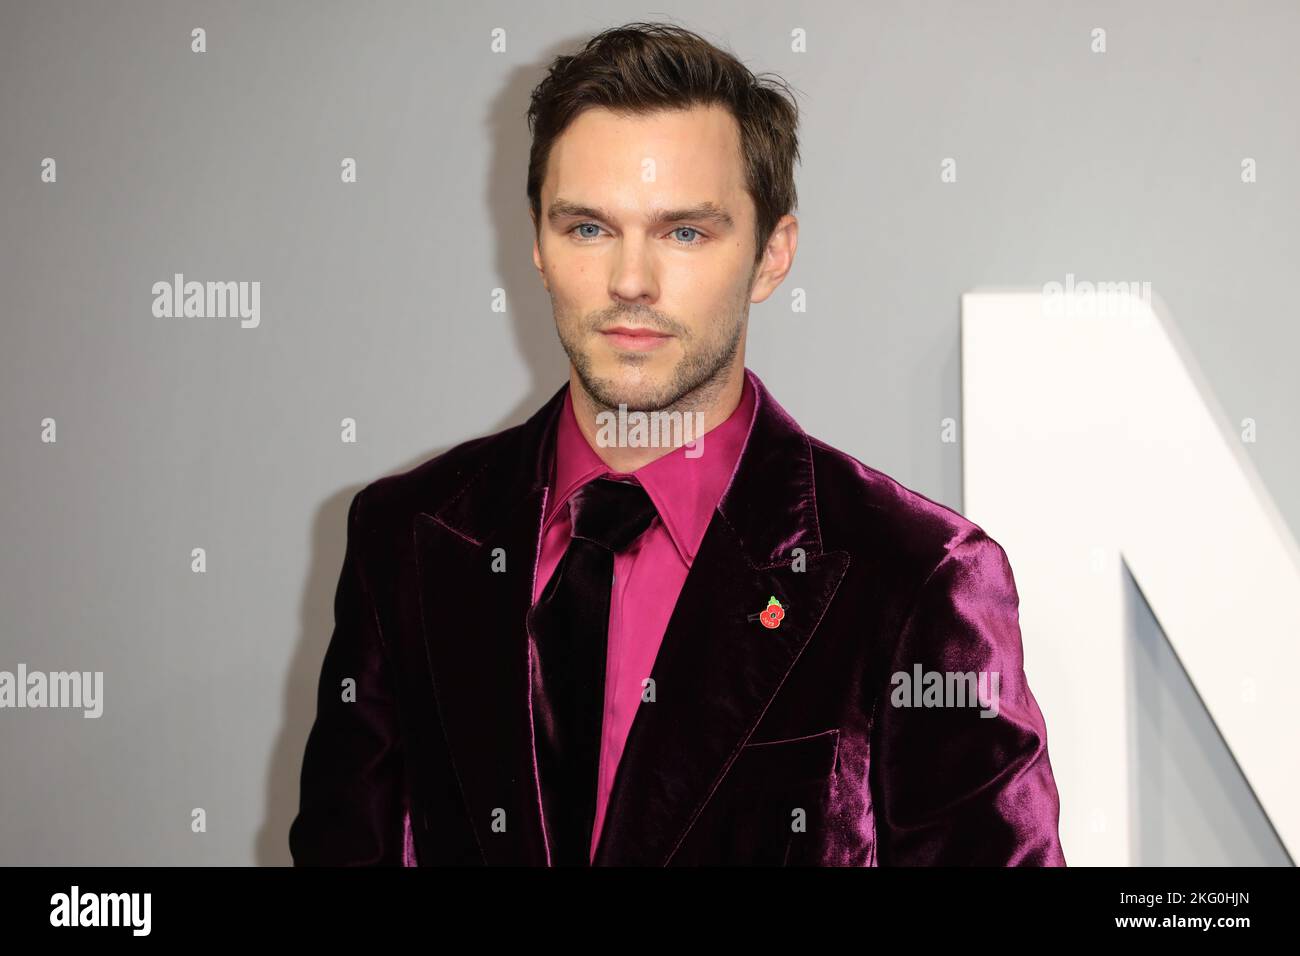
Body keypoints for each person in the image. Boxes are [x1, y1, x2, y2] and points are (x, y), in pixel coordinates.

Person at [289, 21, 1065, 866]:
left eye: (684, 232)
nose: (630, 280)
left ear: (772, 257)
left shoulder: (914, 575)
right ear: (539, 244)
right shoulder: (404, 538)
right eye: (589, 227)